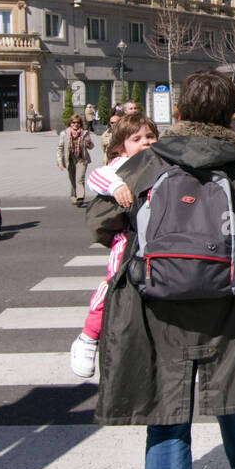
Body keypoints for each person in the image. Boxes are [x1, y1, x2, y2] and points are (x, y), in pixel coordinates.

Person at [86, 71, 235, 469]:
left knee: (167, 416)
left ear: (178, 112)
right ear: (232, 112)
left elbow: (99, 222)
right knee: (230, 382)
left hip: (155, 300)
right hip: (226, 296)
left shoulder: (150, 159)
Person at [70, 112, 159, 379]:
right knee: (113, 285)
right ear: (121, 145)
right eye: (137, 138)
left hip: (154, 240)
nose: (146, 142)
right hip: (126, 240)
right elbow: (97, 176)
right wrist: (117, 184)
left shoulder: (158, 161)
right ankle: (88, 338)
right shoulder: (121, 164)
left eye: (151, 137)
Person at [57, 115, 96, 207]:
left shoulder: (84, 133)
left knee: (79, 178)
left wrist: (88, 142)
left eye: (78, 123)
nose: (75, 124)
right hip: (69, 159)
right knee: (72, 179)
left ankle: (80, 197)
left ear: (80, 124)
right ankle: (74, 196)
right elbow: (60, 148)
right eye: (73, 122)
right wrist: (60, 162)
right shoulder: (64, 134)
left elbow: (91, 147)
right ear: (70, 123)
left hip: (81, 159)